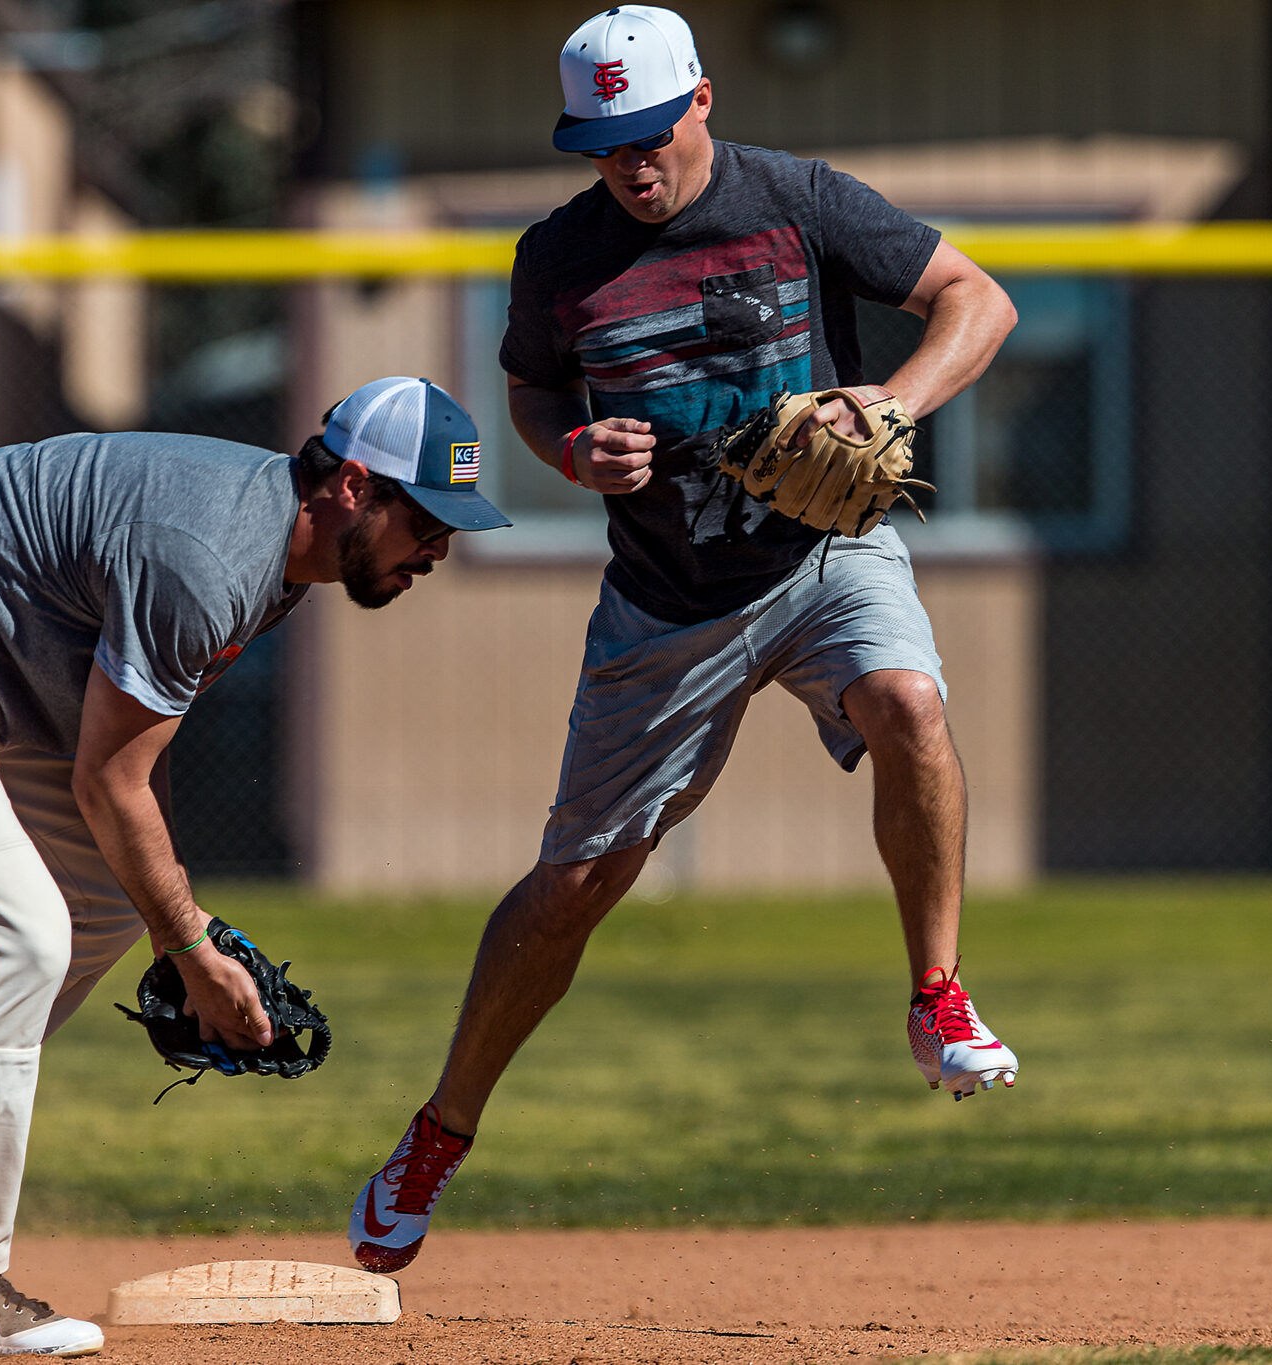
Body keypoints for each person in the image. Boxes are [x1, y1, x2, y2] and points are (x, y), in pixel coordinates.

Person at [347, 5, 1023, 1275]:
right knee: (574, 889)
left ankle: (936, 997)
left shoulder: (801, 201)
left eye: (648, 133)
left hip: (825, 554)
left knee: (907, 704)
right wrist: (565, 451)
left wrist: (885, 399)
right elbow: (537, 390)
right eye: (601, 143)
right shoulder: (558, 256)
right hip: (666, 604)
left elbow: (976, 303)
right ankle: (436, 1136)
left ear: (701, 102)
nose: (630, 163)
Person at [0, 376, 507, 1357]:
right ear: (353, 489)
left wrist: (168, 925)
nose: (440, 549)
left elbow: (108, 760)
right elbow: (113, 782)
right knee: (17, 938)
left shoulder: (274, 558)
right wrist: (193, 947)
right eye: (428, 519)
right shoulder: (212, 556)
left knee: (96, 909)